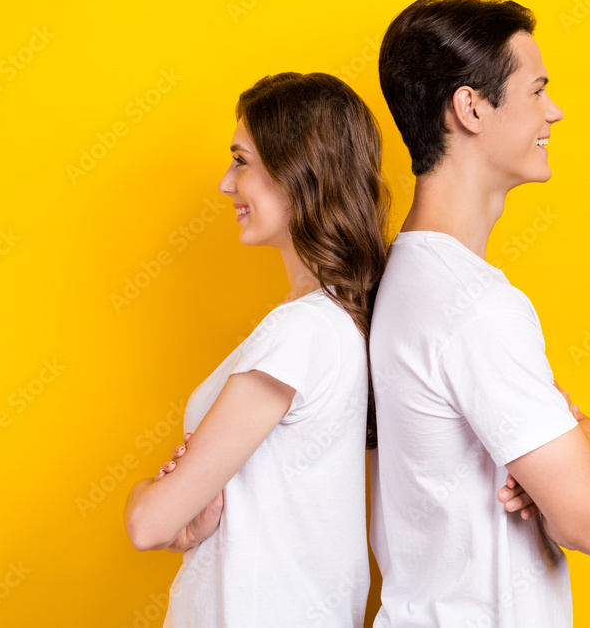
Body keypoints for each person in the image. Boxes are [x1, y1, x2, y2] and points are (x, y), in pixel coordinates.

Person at [369, 0, 590, 626]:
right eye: (536, 90)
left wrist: (564, 464)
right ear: (471, 107)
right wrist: (588, 438)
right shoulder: (474, 305)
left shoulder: (403, 277)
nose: (553, 112)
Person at [124, 71, 391, 627]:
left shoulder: (301, 332)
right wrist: (188, 520)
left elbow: (146, 524)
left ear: (299, 172)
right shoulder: (337, 324)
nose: (226, 183)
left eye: (241, 161)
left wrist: (152, 493)